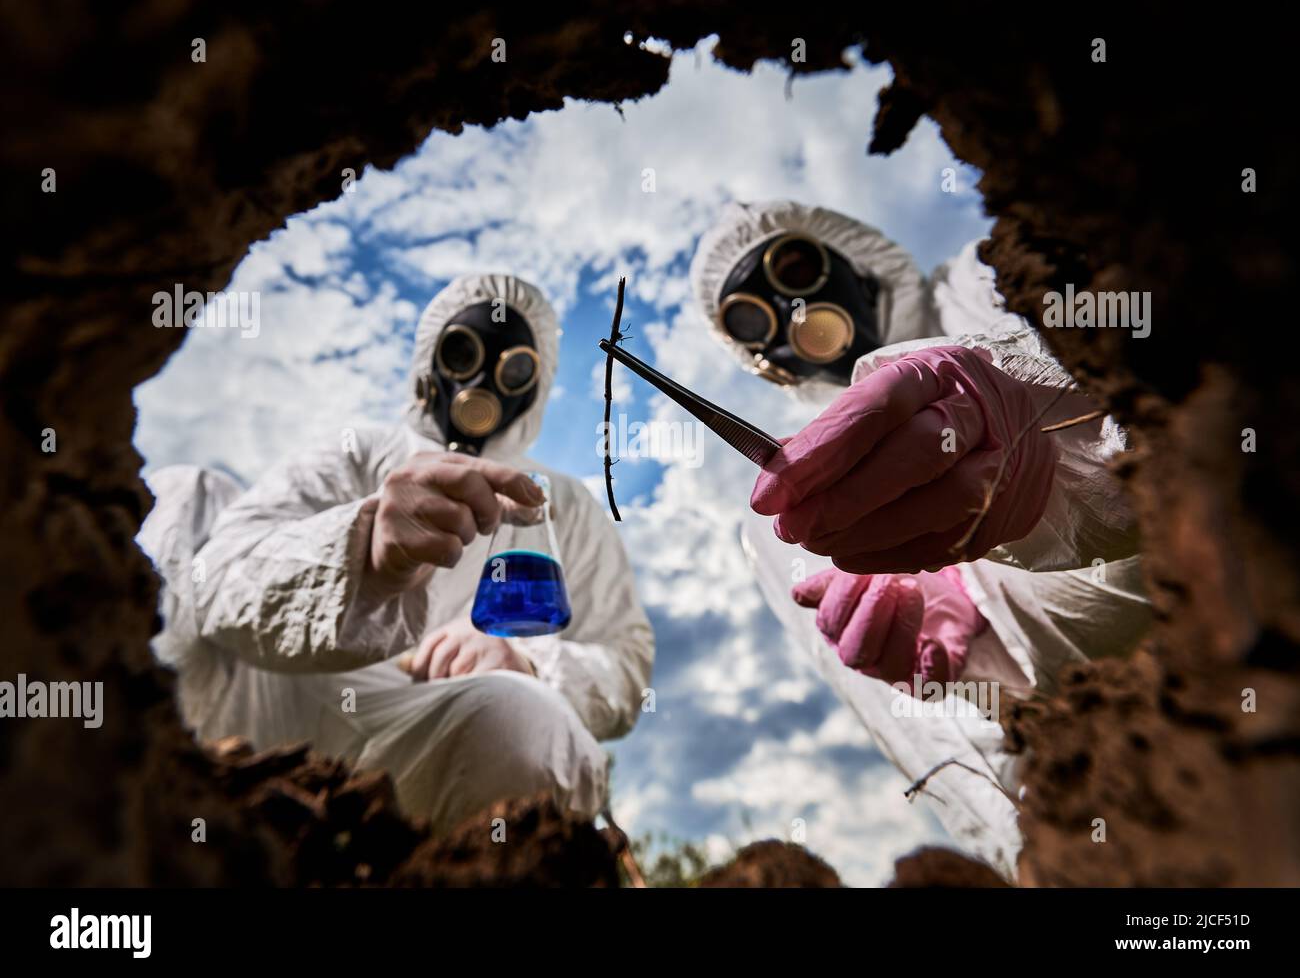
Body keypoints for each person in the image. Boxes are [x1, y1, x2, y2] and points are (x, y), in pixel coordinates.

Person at [690, 200, 1150, 877]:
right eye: (753, 319)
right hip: (1088, 744)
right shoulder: (797, 505)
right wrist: (1030, 850)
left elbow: (1170, 385)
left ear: (856, 260)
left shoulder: (985, 281)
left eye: (796, 268)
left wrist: (1048, 438)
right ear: (764, 365)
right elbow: (918, 726)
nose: (792, 313)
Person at [139, 273, 654, 833]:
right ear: (429, 365)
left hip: (435, 727)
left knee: (528, 723)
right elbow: (219, 581)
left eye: (514, 369)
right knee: (186, 496)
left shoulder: (565, 505)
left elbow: (624, 661)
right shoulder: (361, 454)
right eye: (464, 351)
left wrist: (531, 661)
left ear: (535, 386)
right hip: (284, 695)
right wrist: (361, 550)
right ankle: (138, 790)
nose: (483, 379)